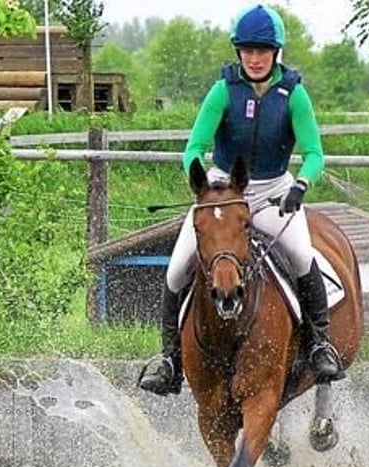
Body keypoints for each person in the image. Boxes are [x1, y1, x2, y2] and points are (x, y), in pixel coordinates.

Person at [138, 3, 344, 396]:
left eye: (262, 51)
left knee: (301, 257)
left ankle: (318, 344)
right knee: (177, 269)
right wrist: (199, 181)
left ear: (275, 53)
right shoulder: (223, 90)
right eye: (247, 50)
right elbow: (194, 146)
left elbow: (315, 151)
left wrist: (302, 184)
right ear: (239, 53)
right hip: (222, 193)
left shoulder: (293, 94)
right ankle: (169, 359)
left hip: (272, 193)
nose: (254, 58)